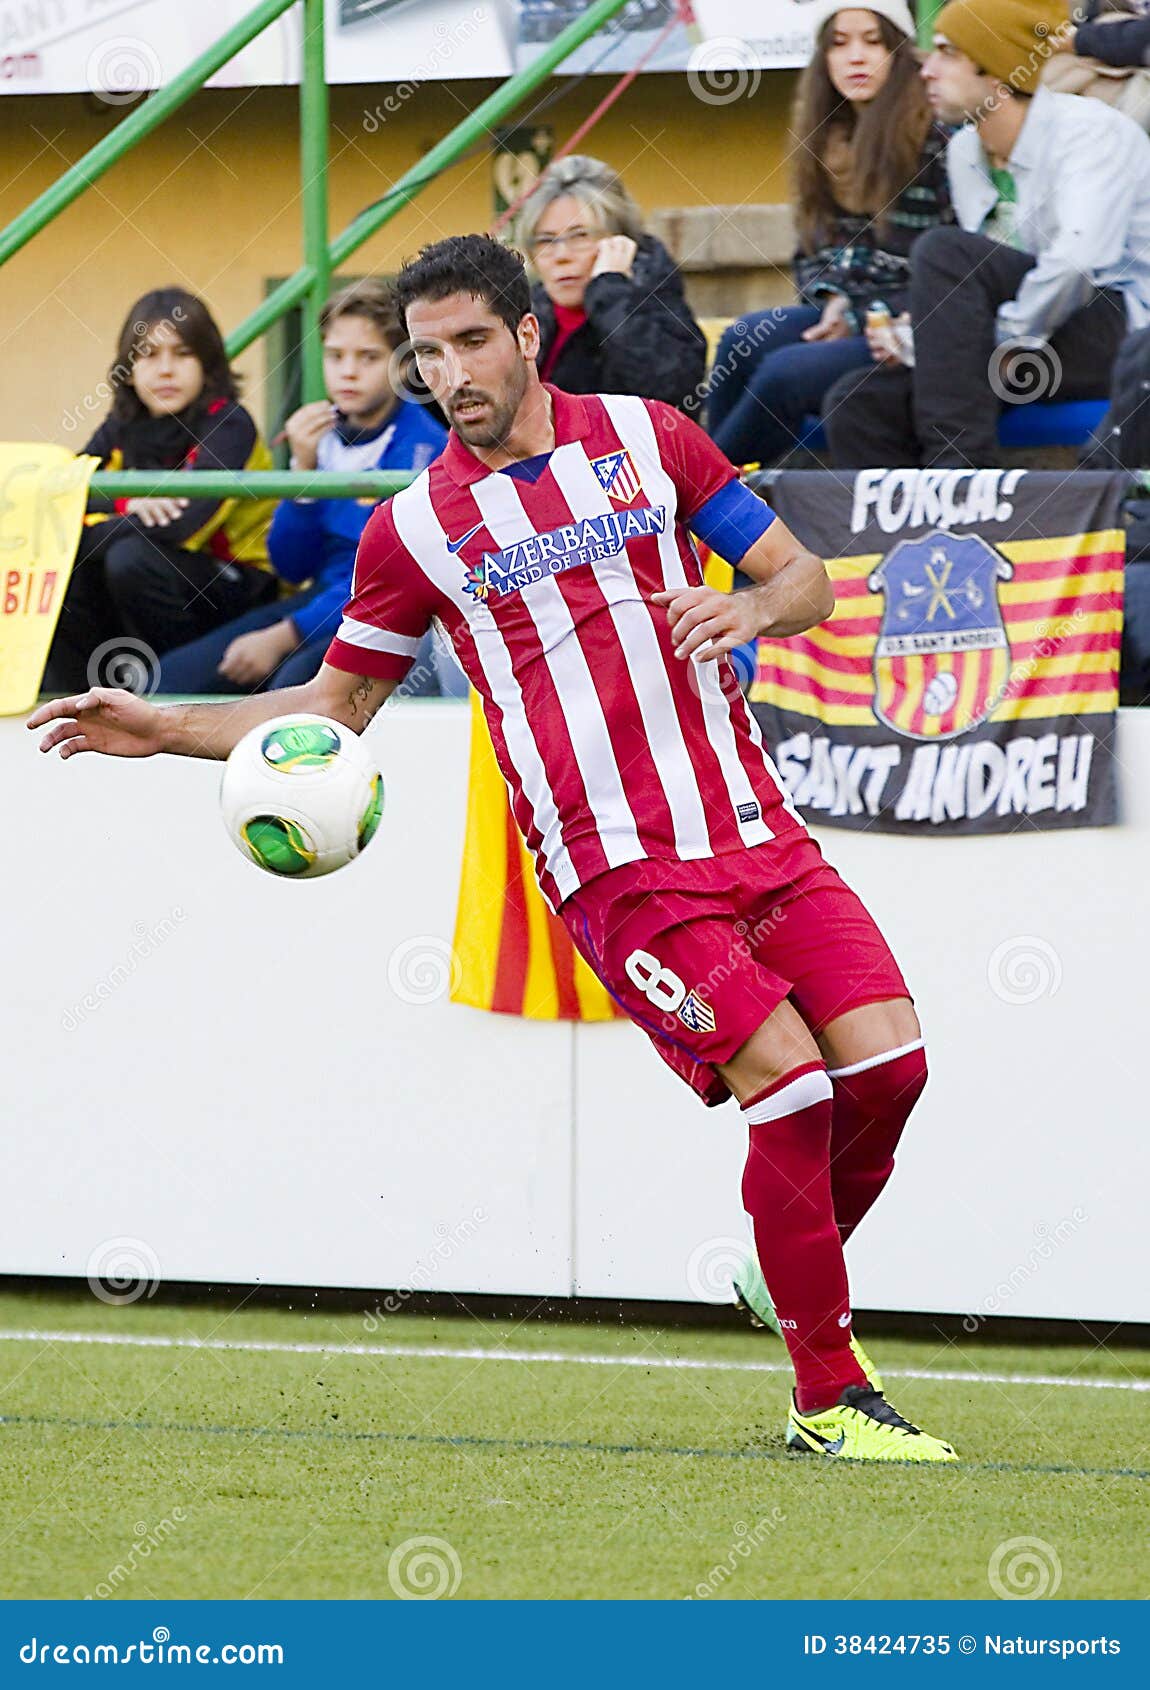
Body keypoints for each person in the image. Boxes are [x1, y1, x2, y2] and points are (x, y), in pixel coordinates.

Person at [29, 234, 957, 1466]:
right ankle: (828, 1398)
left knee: (891, 1073)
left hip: (754, 830)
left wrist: (745, 605)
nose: (451, 371)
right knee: (787, 1090)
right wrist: (165, 726)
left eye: (472, 341)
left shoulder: (651, 440)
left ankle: (777, 1260)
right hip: (616, 868)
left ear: (527, 335)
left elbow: (803, 579)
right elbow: (334, 709)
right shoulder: (414, 527)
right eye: (427, 353)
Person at [822, 0, 1150, 469]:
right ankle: (907, 536)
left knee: (942, 250)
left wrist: (1005, 339)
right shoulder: (965, 152)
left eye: (946, 53)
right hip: (1030, 333)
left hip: (1118, 328)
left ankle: (958, 476)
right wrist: (917, 338)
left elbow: (1077, 263)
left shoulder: (1091, 133)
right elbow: (981, 281)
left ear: (994, 71)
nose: (926, 71)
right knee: (857, 404)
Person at [156, 281, 447, 696]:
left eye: (368, 357)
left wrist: (285, 635)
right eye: (335, 356)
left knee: (290, 692)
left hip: (386, 618)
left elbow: (390, 581)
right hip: (319, 605)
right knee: (168, 681)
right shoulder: (320, 433)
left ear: (402, 365)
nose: (347, 371)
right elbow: (291, 565)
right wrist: (303, 470)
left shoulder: (422, 446)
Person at [706, 2, 952, 468]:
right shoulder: (824, 133)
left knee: (783, 373)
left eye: (872, 41)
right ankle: (716, 489)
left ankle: (700, 490)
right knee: (744, 336)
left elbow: (948, 263)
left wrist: (860, 312)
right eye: (838, 44)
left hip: (912, 327)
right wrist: (832, 295)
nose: (855, 57)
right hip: (843, 309)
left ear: (899, 51)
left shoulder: (935, 133)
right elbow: (813, 249)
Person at [44, 290, 277, 694]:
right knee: (67, 570)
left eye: (182, 354)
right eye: (149, 355)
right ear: (129, 369)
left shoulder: (229, 423)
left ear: (207, 364)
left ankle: (173, 691)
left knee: (128, 558)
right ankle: (74, 699)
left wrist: (97, 529)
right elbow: (65, 495)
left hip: (240, 588)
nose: (165, 370)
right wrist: (127, 503)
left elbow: (182, 526)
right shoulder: (120, 425)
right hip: (155, 579)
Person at [517, 153, 706, 410]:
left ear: (619, 241)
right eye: (546, 241)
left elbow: (672, 390)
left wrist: (610, 290)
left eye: (580, 235)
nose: (561, 256)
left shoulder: (650, 293)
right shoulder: (530, 310)